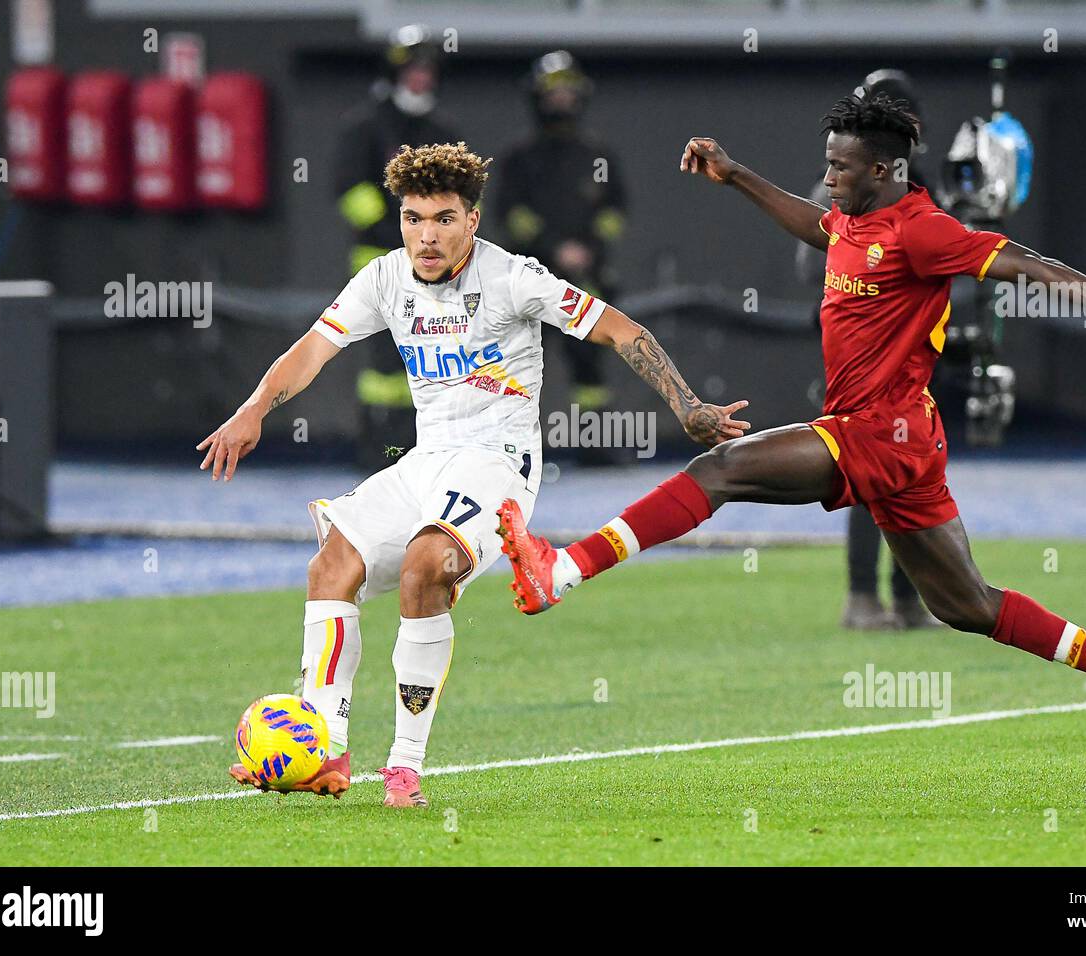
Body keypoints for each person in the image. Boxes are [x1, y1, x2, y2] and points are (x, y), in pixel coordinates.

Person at [496, 95, 1086, 756]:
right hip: (906, 443)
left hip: (881, 430)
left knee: (719, 471)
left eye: (840, 166)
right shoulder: (855, 217)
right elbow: (819, 227)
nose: (829, 177)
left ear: (883, 168)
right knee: (968, 605)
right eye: (828, 163)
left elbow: (1029, 265)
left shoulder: (923, 230)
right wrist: (739, 175)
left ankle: (563, 568)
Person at [199, 143, 748, 807]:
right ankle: (325, 749)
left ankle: (403, 769)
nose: (425, 236)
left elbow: (620, 329)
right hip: (426, 460)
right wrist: (253, 410)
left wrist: (686, 404)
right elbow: (312, 350)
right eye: (412, 218)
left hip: (498, 465)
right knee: (330, 566)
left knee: (423, 567)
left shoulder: (514, 278)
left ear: (473, 220)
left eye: (443, 219)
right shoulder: (383, 279)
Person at [797, 69, 936, 631]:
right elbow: (815, 259)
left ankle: (907, 598)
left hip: (912, 358)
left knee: (911, 479)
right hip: (860, 357)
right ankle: (860, 596)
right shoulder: (843, 188)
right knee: (865, 473)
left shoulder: (923, 190)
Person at [332, 23, 460, 463]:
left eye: (427, 69)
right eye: (412, 69)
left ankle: (417, 450)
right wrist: (402, 237)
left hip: (433, 264)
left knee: (430, 354)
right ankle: (379, 446)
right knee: (385, 357)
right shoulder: (366, 125)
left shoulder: (441, 128)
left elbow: (458, 195)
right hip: (381, 260)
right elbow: (351, 190)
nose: (421, 77)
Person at [495, 51, 628, 456]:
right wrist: (555, 249)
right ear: (537, 97)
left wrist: (588, 251)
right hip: (531, 278)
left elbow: (614, 211)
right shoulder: (520, 156)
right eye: (553, 92)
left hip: (585, 279)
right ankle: (508, 449)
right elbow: (511, 215)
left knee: (590, 363)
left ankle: (595, 448)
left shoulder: (596, 154)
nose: (562, 99)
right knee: (517, 364)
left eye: (568, 91)